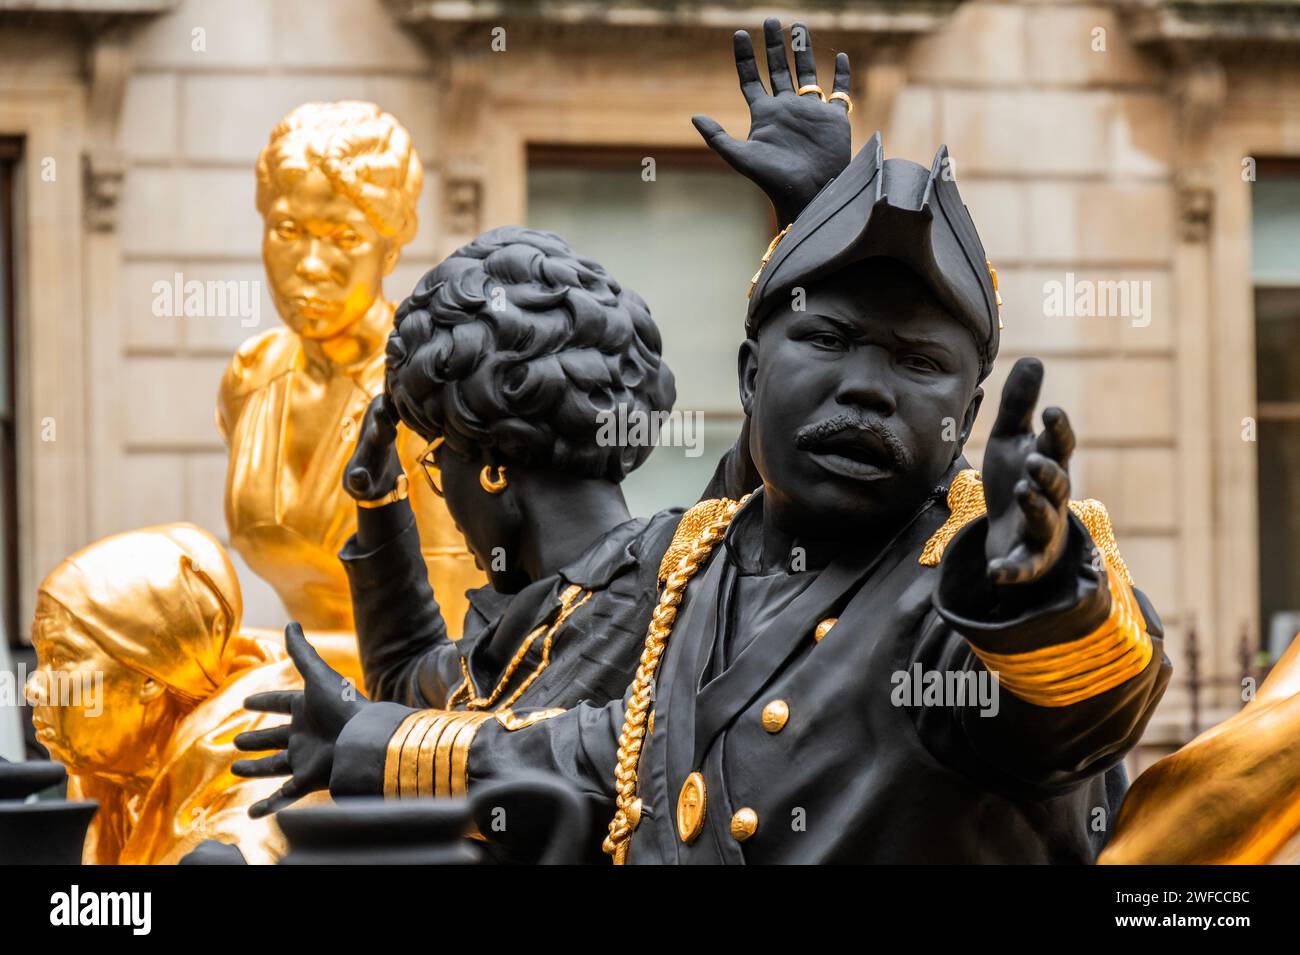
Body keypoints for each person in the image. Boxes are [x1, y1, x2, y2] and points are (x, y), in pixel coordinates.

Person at [237, 22, 1170, 865]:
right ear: (750, 378)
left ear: (964, 421)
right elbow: (582, 749)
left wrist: (1034, 590)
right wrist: (361, 741)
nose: (865, 386)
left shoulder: (951, 598)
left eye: (919, 362)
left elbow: (1083, 705)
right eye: (830, 340)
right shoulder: (696, 566)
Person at [218, 101, 481, 632]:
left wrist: (266, 663)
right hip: (307, 665)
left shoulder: (426, 387)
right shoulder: (250, 376)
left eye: (344, 238)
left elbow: (446, 642)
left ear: (388, 251)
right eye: (288, 230)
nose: (310, 266)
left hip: (403, 695)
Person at [24, 523, 361, 864]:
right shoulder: (106, 773)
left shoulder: (270, 771)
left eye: (63, 658)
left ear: (152, 676)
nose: (32, 688)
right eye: (40, 657)